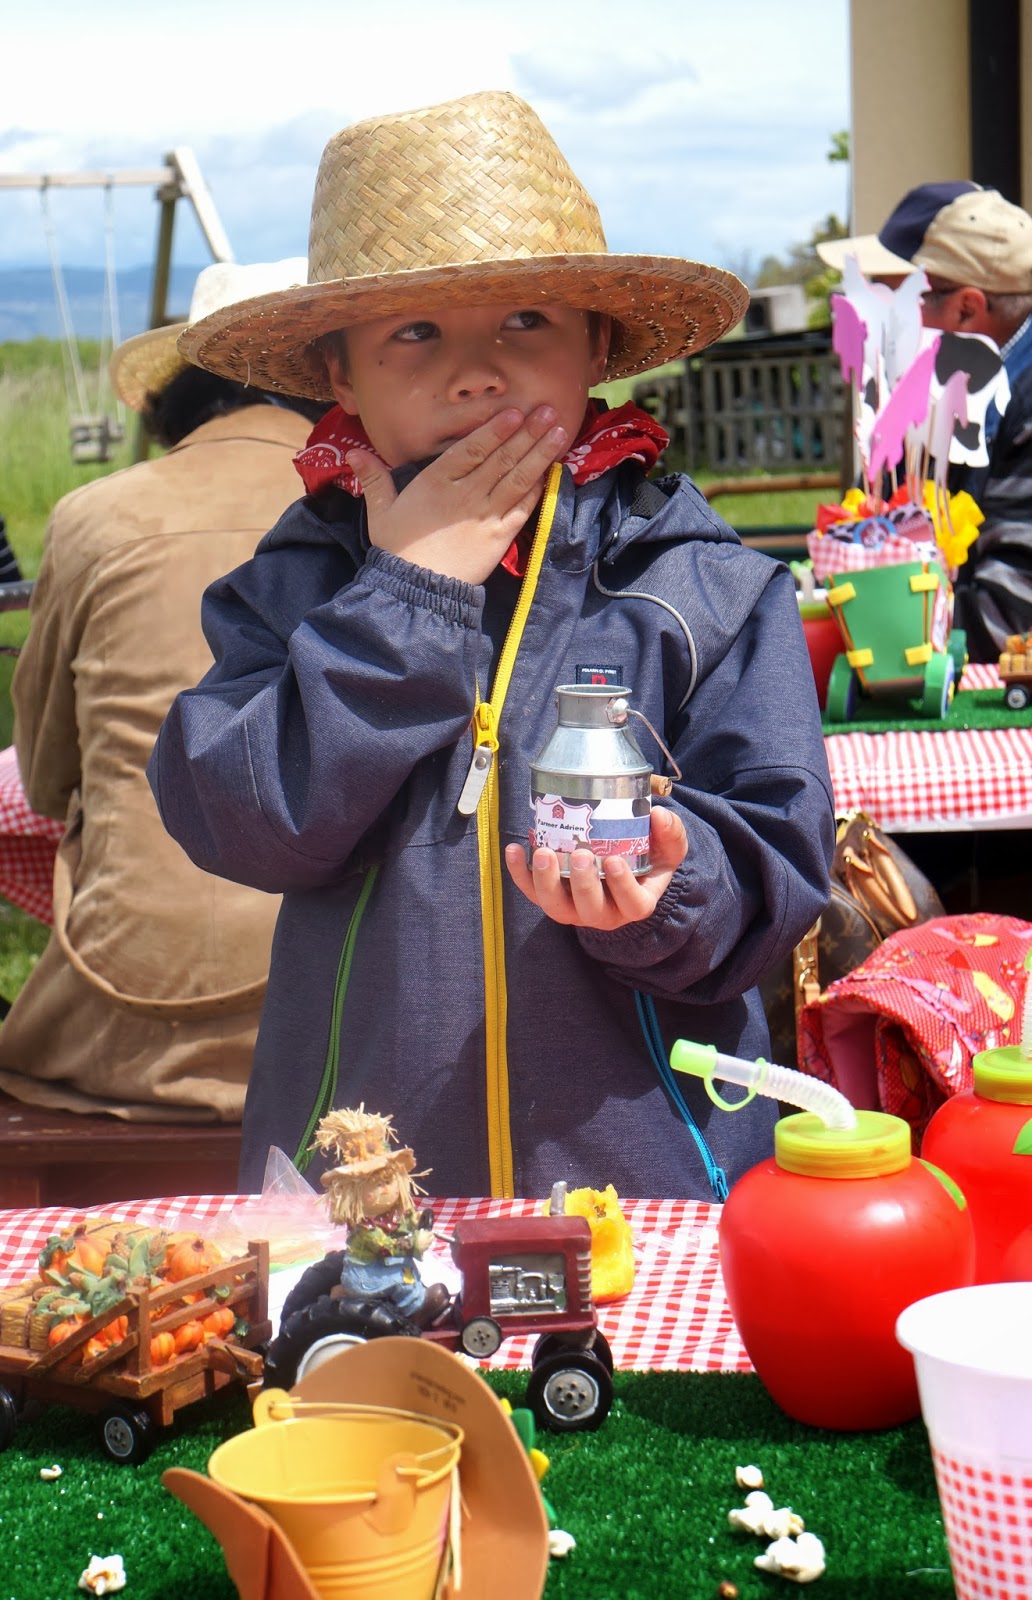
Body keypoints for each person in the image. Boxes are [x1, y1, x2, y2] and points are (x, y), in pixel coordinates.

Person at [150, 91, 835, 1199]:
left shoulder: (696, 586)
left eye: (525, 322)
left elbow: (780, 865)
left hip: (644, 1182)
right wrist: (408, 592)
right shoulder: (299, 582)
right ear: (340, 374)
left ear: (596, 344)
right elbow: (243, 822)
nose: (476, 372)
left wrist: (673, 890)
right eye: (414, 332)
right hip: (365, 1187)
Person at [0, 258, 328, 1123]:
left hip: (122, 1025)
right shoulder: (392, 515)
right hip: (341, 1022)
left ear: (177, 391)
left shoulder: (94, 515)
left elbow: (45, 781)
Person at [824, 182, 1032, 660]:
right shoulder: (935, 382)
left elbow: (1010, 617)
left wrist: (862, 625)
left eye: (891, 299)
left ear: (966, 309)